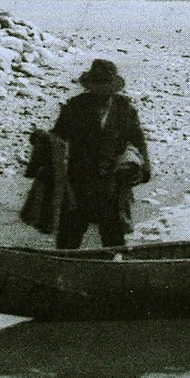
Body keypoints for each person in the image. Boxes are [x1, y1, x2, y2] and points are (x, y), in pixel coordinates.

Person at [50, 59, 152, 250]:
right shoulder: (75, 106)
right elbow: (59, 136)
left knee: (113, 234)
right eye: (98, 86)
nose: (102, 92)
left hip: (112, 181)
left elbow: (137, 138)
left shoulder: (124, 109)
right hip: (79, 180)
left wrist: (145, 167)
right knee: (70, 233)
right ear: (91, 87)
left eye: (106, 87)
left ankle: (112, 271)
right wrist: (44, 140)